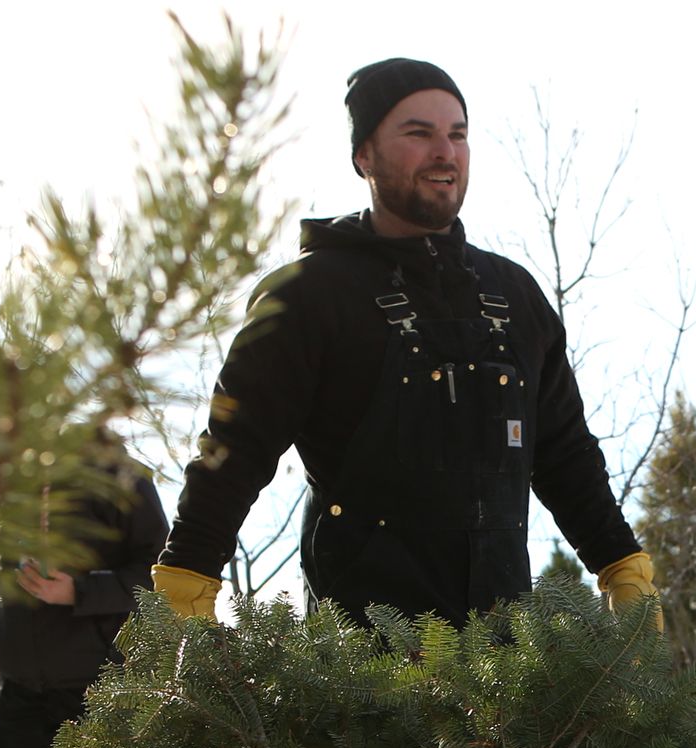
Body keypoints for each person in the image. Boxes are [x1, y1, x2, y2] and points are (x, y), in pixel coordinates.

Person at [150, 57, 656, 627]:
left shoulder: (514, 296)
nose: (446, 151)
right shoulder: (311, 294)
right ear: (363, 154)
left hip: (506, 676)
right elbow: (234, 450)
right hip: (358, 673)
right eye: (419, 133)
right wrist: (187, 577)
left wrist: (621, 563)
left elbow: (565, 455)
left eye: (458, 134)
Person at [0, 446, 167, 748]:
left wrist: (79, 591)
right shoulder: (12, 481)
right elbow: (15, 597)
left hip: (98, 695)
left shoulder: (120, 476)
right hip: (17, 702)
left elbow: (159, 575)